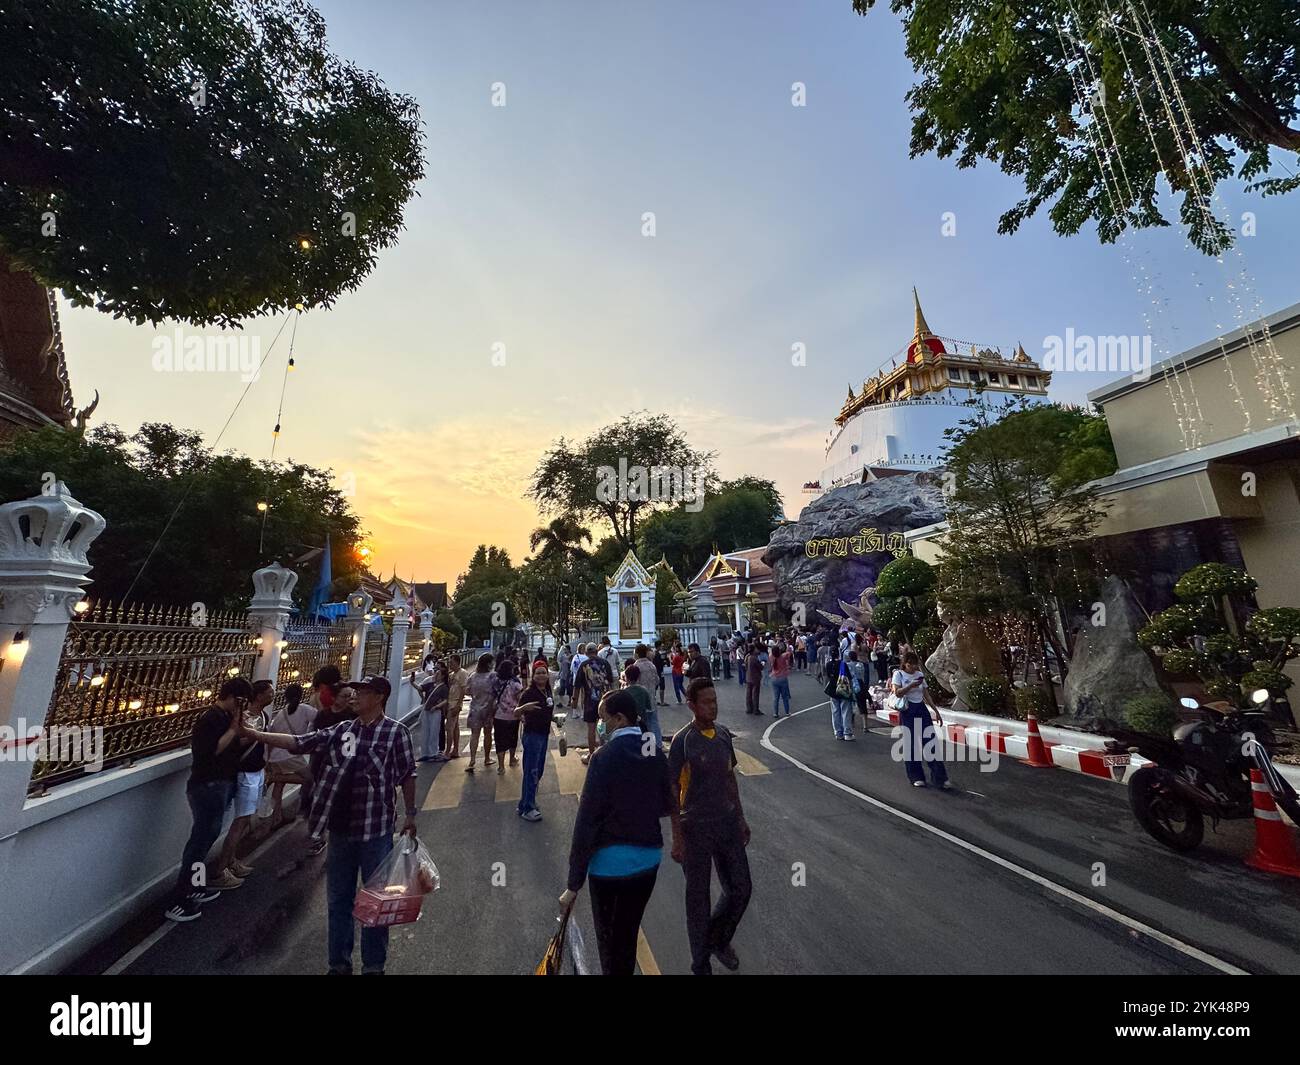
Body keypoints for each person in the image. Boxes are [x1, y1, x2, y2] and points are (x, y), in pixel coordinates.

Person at [247, 675, 417, 975]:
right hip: (341, 830)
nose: (355, 697)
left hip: (375, 831)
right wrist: (256, 734)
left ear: (379, 697)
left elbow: (407, 774)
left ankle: (374, 965)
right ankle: (339, 965)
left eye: (363, 692)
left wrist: (411, 816)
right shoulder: (343, 730)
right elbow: (301, 743)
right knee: (339, 901)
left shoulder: (396, 733)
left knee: (376, 902)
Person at [560, 689, 675, 974]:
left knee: (610, 945)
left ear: (620, 719)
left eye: (603, 718)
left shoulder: (603, 757)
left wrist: (573, 884)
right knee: (628, 933)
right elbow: (665, 804)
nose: (600, 725)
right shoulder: (653, 751)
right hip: (648, 862)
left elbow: (587, 821)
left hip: (609, 870)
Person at [668, 678, 752, 975]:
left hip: (727, 823)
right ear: (692, 705)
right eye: (706, 702)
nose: (713, 706)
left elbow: (731, 779)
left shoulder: (724, 735)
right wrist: (677, 838)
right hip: (695, 829)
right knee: (698, 899)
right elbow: (671, 789)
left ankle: (718, 939)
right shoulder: (683, 741)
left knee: (741, 889)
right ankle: (700, 963)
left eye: (715, 701)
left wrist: (740, 818)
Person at [164, 677, 255, 922]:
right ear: (234, 697)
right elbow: (210, 750)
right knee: (199, 843)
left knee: (205, 841)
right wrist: (234, 730)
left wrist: (249, 733)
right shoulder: (211, 719)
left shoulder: (225, 719)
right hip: (207, 786)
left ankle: (195, 886)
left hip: (220, 784)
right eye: (241, 701)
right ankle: (179, 899)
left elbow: (233, 747)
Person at [217, 678, 275, 878]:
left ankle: (232, 861)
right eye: (269, 692)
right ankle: (221, 868)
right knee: (240, 821)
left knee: (245, 819)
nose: (272, 695)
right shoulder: (246, 717)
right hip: (245, 773)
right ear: (258, 696)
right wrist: (254, 734)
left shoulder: (264, 716)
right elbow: (235, 744)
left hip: (257, 771)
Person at [891, 651, 950, 789]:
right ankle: (916, 776)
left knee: (930, 742)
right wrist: (910, 686)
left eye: (915, 665)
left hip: (921, 709)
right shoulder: (898, 675)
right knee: (911, 745)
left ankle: (940, 777)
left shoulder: (920, 675)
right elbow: (897, 692)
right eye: (911, 665)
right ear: (905, 664)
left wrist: (936, 711)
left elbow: (926, 695)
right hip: (907, 710)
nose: (914, 668)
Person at [264, 683, 313, 828]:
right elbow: (321, 718)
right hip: (289, 754)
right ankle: (274, 777)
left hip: (274, 755)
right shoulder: (305, 709)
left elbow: (271, 736)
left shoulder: (281, 713)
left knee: (279, 786)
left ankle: (276, 817)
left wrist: (268, 758)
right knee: (311, 779)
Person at [517, 662, 556, 821]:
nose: (541, 675)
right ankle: (528, 808)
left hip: (543, 734)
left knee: (537, 770)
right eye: (538, 673)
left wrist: (554, 719)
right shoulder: (529, 693)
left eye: (544, 672)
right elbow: (516, 712)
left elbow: (546, 710)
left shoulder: (547, 691)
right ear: (533, 676)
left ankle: (525, 802)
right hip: (532, 735)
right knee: (532, 771)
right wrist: (524, 709)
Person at [574, 642, 613, 765]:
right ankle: (604, 754)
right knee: (605, 728)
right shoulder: (605, 663)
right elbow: (611, 682)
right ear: (597, 651)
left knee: (591, 728)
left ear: (586, 653)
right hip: (605, 701)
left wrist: (574, 700)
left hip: (590, 701)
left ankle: (591, 755)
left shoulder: (584, 665)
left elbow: (577, 685)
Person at [465, 653, 497, 772]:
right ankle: (487, 758)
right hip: (488, 709)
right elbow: (497, 690)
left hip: (475, 708)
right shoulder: (492, 676)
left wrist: (476, 694)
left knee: (474, 735)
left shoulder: (473, 676)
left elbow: (467, 691)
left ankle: (472, 759)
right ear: (489, 663)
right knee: (487, 734)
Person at [492, 659, 524, 774]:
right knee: (512, 738)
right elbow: (520, 698)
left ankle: (501, 766)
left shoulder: (496, 681)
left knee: (499, 740)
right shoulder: (515, 682)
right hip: (513, 715)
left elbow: (493, 696)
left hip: (499, 715)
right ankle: (511, 759)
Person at [626, 643, 662, 747]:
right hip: (651, 698)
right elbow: (657, 681)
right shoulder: (652, 665)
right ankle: (658, 746)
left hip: (640, 701)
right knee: (654, 723)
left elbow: (634, 683)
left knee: (642, 726)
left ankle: (646, 747)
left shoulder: (635, 667)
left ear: (636, 654)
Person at [418, 665, 450, 762]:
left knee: (434, 731)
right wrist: (412, 682)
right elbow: (420, 688)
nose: (436, 675)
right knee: (425, 731)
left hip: (436, 711)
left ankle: (433, 752)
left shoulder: (444, 687)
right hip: (428, 710)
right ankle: (425, 753)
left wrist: (437, 706)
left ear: (443, 676)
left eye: (438, 674)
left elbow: (446, 700)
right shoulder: (431, 684)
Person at [445, 657, 471, 758]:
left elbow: (463, 689)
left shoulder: (462, 673)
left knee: (449, 727)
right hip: (451, 701)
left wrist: (459, 704)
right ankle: (455, 750)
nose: (450, 665)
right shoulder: (452, 675)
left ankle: (448, 751)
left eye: (451, 663)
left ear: (457, 663)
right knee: (455, 727)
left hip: (455, 703)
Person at [769, 640, 792, 718]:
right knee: (785, 697)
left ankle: (775, 713)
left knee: (775, 697)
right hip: (782, 678)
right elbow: (789, 652)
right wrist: (787, 644)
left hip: (774, 677)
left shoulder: (771, 657)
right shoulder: (783, 656)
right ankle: (787, 712)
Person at [743, 641, 763, 715]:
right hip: (755, 677)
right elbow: (760, 667)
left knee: (748, 693)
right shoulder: (754, 658)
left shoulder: (747, 657)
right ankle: (756, 709)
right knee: (755, 694)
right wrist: (762, 664)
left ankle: (749, 708)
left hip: (748, 676)